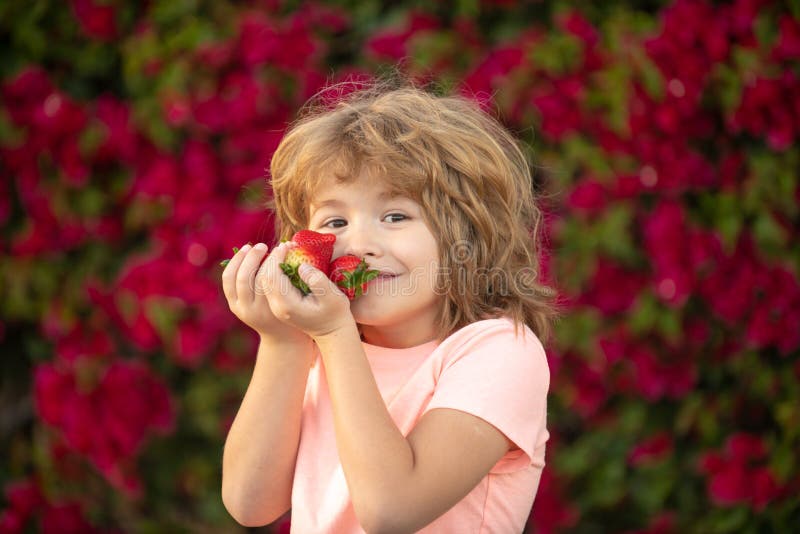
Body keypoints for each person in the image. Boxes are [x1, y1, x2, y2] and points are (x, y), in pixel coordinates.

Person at [220, 80, 557, 533]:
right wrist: (282, 342)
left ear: (467, 235)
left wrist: (336, 336)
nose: (359, 243)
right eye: (335, 221)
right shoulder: (317, 351)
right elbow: (250, 502)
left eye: (395, 216)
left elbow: (390, 511)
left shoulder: (498, 353)